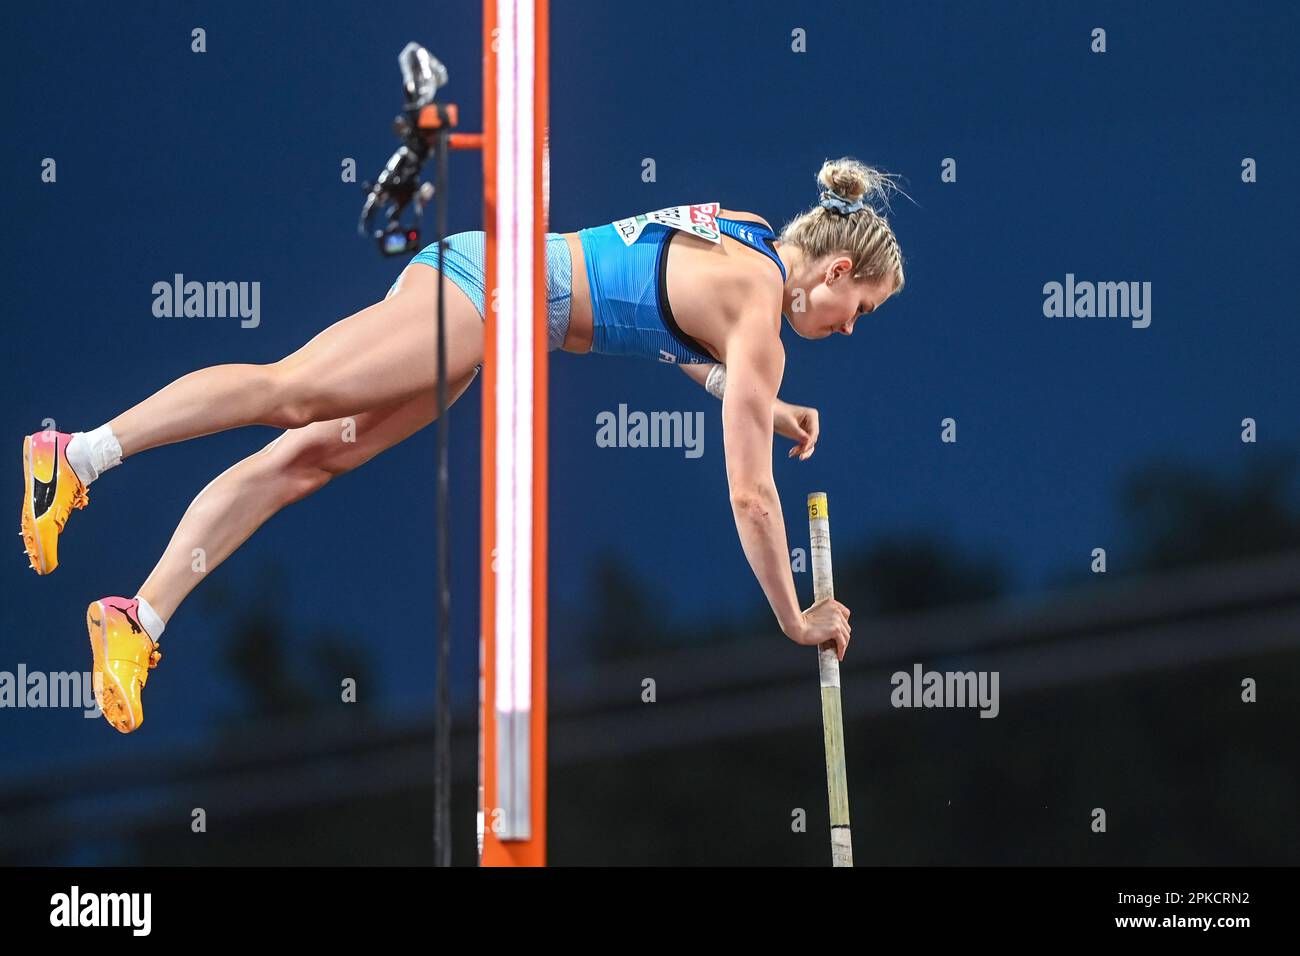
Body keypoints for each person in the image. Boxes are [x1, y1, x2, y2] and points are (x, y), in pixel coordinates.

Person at [20, 156, 905, 733]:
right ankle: (81, 453)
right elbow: (750, 496)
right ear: (834, 273)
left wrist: (742, 394)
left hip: (496, 315)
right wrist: (794, 617)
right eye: (860, 310)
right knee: (293, 391)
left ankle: (139, 617)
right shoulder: (761, 323)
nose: (853, 330)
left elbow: (658, 313)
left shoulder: (747, 242)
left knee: (307, 459)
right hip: (490, 289)